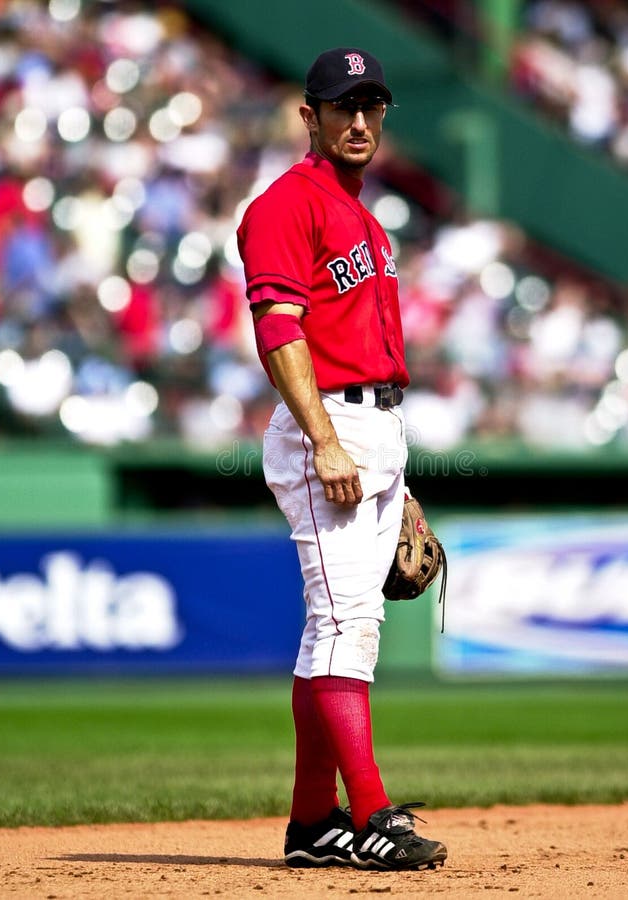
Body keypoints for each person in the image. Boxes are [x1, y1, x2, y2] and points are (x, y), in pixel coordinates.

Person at [236, 47, 447, 871]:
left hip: (375, 429)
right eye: (341, 106)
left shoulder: (361, 214)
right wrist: (324, 438)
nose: (357, 121)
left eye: (370, 105)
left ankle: (313, 822)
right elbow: (278, 328)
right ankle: (370, 817)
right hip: (330, 427)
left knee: (333, 630)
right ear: (310, 116)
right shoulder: (288, 205)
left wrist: (399, 480)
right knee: (344, 627)